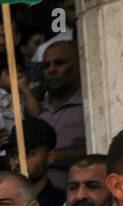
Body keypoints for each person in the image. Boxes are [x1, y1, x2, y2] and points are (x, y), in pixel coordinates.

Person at [4, 116, 70, 206]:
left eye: (28, 154)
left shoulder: (63, 205)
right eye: (14, 154)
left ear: (49, 157)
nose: (18, 161)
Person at [37, 40, 86, 189]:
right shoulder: (35, 110)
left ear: (79, 65)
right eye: (46, 66)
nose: (51, 70)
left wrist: (48, 157)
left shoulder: (92, 106)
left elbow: (102, 150)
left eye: (59, 63)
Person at [0, 52, 40, 129]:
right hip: (4, 138)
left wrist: (26, 90)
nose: (18, 75)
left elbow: (36, 114)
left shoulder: (22, 93)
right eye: (10, 73)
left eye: (19, 71)